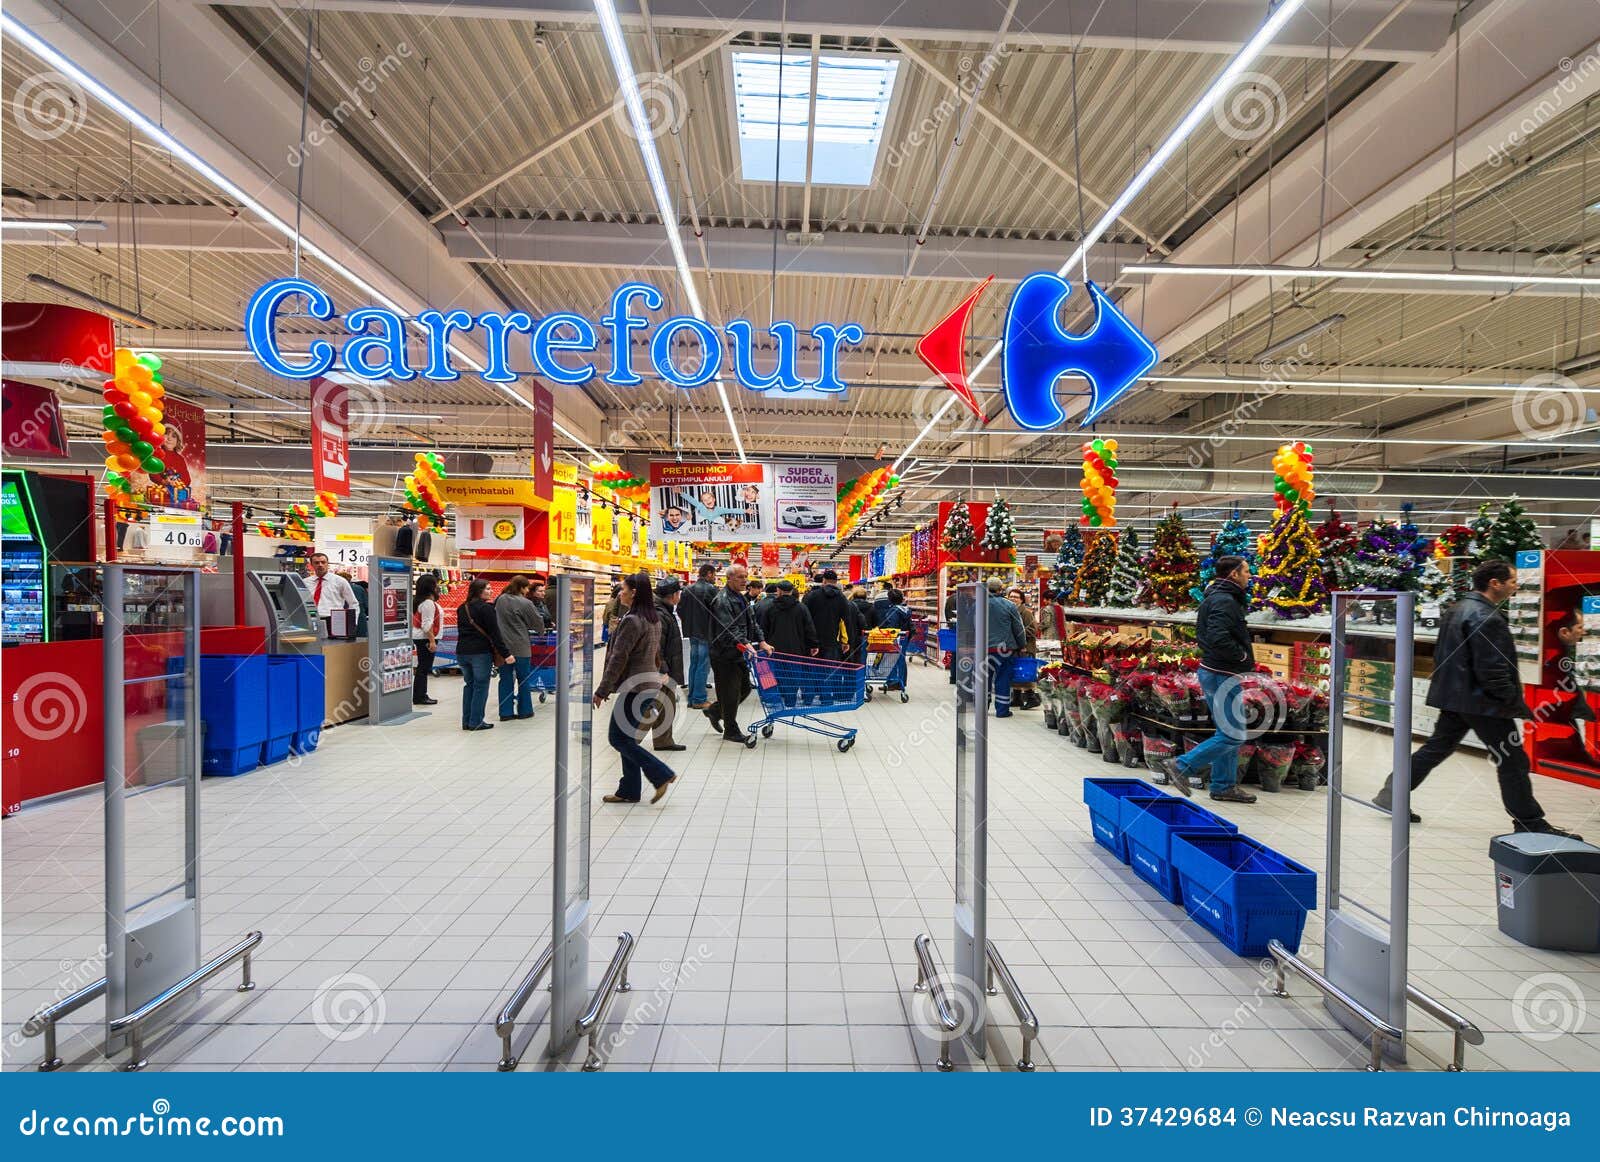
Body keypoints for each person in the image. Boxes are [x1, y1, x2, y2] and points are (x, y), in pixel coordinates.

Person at [1375, 560, 1582, 837]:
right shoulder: (1487, 617)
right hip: (1483, 702)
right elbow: (1492, 668)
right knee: (1513, 760)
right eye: (1511, 580)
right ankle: (1530, 823)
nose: (1515, 586)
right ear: (1494, 583)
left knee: (1437, 748)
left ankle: (1392, 796)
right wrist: (1511, 701)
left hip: (1456, 698)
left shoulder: (1457, 609)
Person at [1160, 555, 1256, 804]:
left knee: (1226, 730)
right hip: (1222, 672)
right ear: (1233, 574)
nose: (1249, 575)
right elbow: (1217, 636)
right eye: (1246, 571)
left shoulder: (1220, 596)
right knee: (1234, 734)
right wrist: (1242, 655)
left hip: (1218, 672)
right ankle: (1182, 765)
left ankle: (1223, 785)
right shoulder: (1225, 600)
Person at [594, 573, 679, 805]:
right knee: (627, 738)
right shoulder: (651, 618)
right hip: (647, 684)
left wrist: (602, 690)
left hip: (635, 686)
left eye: (623, 589)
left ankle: (661, 774)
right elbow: (654, 652)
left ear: (633, 592)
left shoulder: (633, 620)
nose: (620, 592)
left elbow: (618, 658)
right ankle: (629, 790)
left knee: (617, 739)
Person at [706, 563, 772, 742]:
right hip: (724, 654)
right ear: (729, 579)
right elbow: (729, 627)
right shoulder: (723, 600)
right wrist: (744, 643)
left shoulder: (740, 598)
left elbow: (752, 621)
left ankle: (715, 711)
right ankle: (731, 730)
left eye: (745, 576)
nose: (745, 580)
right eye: (740, 577)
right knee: (729, 692)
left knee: (744, 688)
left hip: (738, 652)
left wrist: (762, 641)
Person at [456, 578, 514, 731]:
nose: (491, 591)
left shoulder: (462, 608)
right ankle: (476, 721)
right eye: (487, 589)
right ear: (479, 591)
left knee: (469, 685)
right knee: (481, 686)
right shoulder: (486, 609)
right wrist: (506, 654)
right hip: (480, 653)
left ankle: (466, 720)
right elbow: (495, 634)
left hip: (462, 652)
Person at [494, 575, 542, 722]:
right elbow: (537, 623)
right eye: (527, 587)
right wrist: (539, 629)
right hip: (521, 646)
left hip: (503, 647)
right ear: (522, 588)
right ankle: (525, 710)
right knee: (523, 679)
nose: (528, 590)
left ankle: (505, 712)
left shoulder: (500, 599)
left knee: (505, 679)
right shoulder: (525, 603)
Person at [648, 578, 688, 752]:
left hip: (667, 666)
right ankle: (627, 738)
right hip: (663, 669)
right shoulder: (660, 614)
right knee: (654, 705)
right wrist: (662, 669)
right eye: (678, 593)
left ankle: (663, 740)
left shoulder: (664, 610)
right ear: (673, 595)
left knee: (665, 705)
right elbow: (656, 646)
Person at [984, 577, 1026, 716]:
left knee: (984, 678)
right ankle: (1002, 710)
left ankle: (982, 708)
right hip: (1004, 650)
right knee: (1003, 678)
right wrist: (1022, 645)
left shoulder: (977, 604)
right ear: (1001, 589)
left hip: (982, 649)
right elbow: (1018, 628)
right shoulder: (1009, 605)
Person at [680, 563, 718, 709]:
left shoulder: (687, 589)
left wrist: (688, 624)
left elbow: (681, 610)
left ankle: (692, 697)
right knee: (703, 666)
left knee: (694, 665)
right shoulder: (711, 589)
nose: (714, 578)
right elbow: (717, 611)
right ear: (709, 573)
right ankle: (699, 699)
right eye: (714, 575)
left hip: (691, 632)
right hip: (705, 633)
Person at [802, 569, 853, 661]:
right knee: (830, 670)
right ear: (836, 582)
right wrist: (846, 641)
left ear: (824, 580)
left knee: (813, 670)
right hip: (832, 641)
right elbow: (846, 621)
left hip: (813, 641)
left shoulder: (812, 596)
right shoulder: (842, 598)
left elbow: (805, 619)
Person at [760, 579, 819, 655]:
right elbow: (809, 628)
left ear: (778, 590)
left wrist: (763, 644)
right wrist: (814, 645)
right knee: (794, 666)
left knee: (775, 667)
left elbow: (764, 628)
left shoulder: (770, 607)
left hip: (774, 649)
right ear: (791, 591)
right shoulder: (801, 608)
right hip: (797, 649)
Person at [308, 552, 359, 631]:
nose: (320, 565)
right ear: (311, 565)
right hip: (312, 619)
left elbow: (353, 603)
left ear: (327, 564)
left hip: (335, 620)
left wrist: (353, 623)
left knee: (335, 643)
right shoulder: (305, 582)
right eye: (316, 563)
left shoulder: (340, 581)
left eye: (323, 562)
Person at [411, 574, 441, 706]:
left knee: (422, 667)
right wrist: (432, 641)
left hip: (421, 638)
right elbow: (426, 625)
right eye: (436, 584)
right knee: (424, 667)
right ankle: (420, 696)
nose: (438, 587)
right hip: (426, 639)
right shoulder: (428, 603)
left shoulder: (420, 602)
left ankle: (420, 694)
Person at [1009, 587, 1041, 710]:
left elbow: (1033, 630)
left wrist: (1017, 634)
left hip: (1025, 648)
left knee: (1025, 673)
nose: (1013, 599)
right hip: (1016, 647)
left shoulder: (1026, 613)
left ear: (1021, 600)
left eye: (1016, 597)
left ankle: (1032, 698)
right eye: (1011, 596)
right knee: (1017, 672)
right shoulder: (1012, 611)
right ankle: (1017, 698)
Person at [878, 587, 915, 691]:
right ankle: (901, 682)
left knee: (892, 659)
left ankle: (893, 682)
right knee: (901, 659)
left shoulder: (893, 611)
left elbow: (892, 627)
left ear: (890, 599)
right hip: (904, 638)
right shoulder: (906, 609)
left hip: (896, 638)